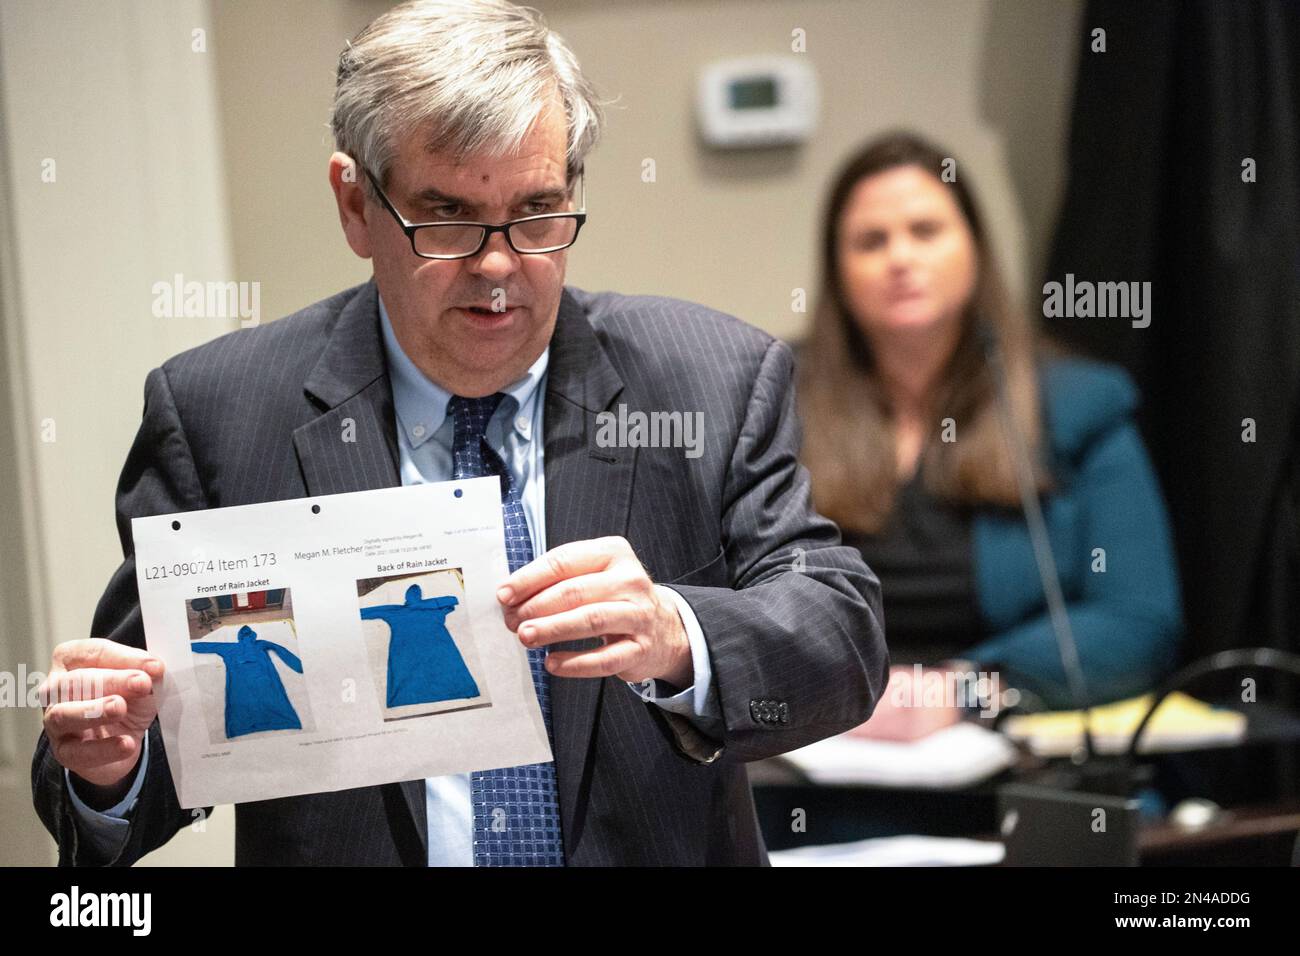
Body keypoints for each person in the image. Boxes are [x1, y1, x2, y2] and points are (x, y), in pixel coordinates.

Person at [31, 0, 887, 866]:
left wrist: (677, 634)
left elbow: (841, 638)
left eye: (538, 214)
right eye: (447, 221)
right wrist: (112, 768)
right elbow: (125, 767)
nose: (498, 266)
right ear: (356, 204)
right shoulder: (222, 413)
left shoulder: (712, 380)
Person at [796, 131, 1182, 739]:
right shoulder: (773, 405)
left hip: (1003, 756)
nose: (900, 257)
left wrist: (960, 690)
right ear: (837, 271)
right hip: (819, 762)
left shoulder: (1080, 405)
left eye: (926, 231)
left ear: (974, 247)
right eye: (871, 241)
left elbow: (1138, 621)